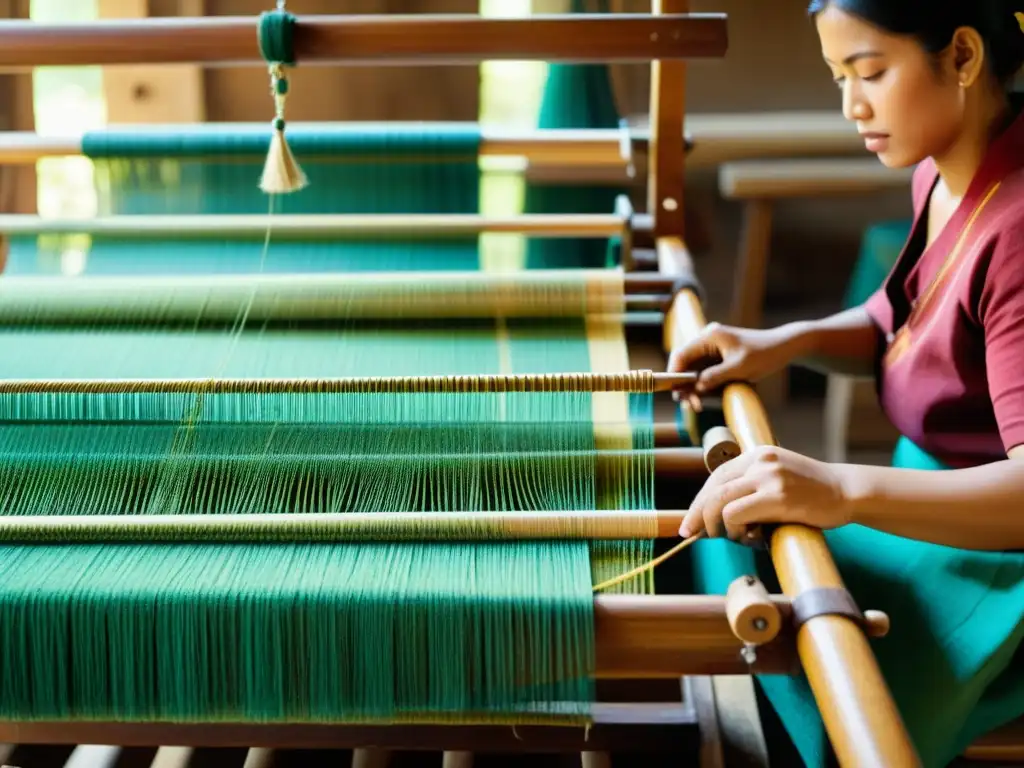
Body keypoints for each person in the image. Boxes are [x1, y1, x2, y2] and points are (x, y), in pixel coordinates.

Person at [667, 2, 1024, 766]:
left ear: (961, 56)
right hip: (936, 500)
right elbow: (901, 317)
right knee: (750, 574)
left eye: (869, 73)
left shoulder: (1019, 227)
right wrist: (779, 344)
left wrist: (837, 489)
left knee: (828, 694)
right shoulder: (946, 165)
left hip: (999, 563)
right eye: (839, 78)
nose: (851, 106)